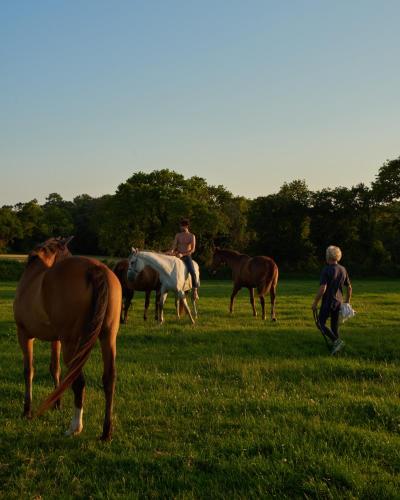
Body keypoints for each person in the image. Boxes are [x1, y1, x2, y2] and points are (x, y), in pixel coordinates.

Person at [312, 245, 352, 355]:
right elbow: (349, 287)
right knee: (334, 327)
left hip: (328, 302)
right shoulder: (343, 269)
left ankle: (337, 342)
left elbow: (323, 288)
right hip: (338, 302)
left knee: (320, 323)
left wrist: (315, 302)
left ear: (328, 256)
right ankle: (338, 348)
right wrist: (347, 301)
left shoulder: (326, 270)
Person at [169, 219, 199, 300]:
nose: (180, 227)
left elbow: (192, 250)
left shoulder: (192, 236)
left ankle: (195, 290)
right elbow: (174, 245)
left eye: (182, 226)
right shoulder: (178, 235)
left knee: (192, 271)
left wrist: (183, 254)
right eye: (180, 226)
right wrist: (171, 251)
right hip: (177, 255)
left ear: (186, 226)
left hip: (186, 256)